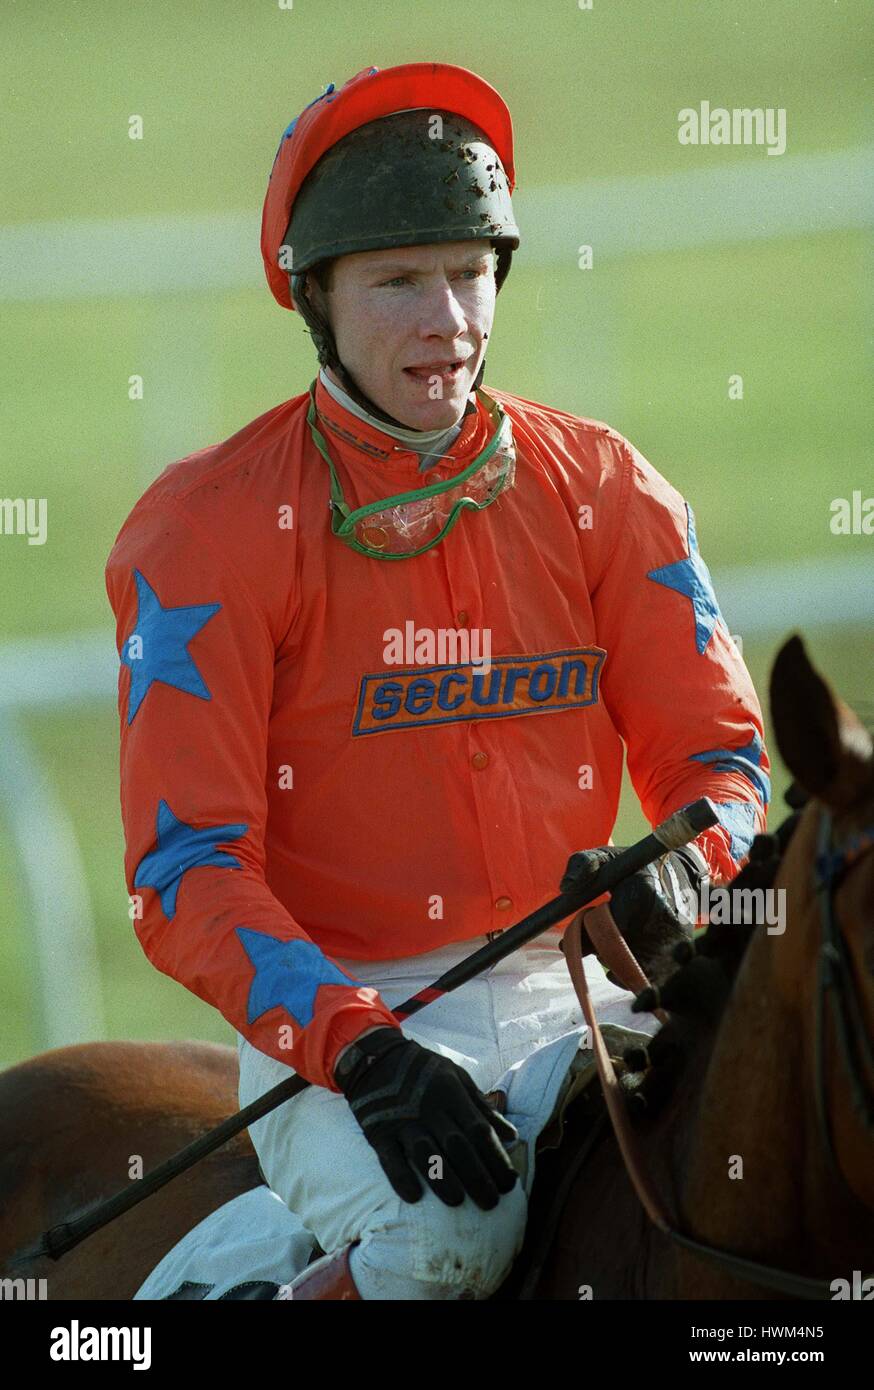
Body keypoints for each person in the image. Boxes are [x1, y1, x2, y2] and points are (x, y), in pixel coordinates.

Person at [106, 62, 771, 1300]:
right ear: (315, 296)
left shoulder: (607, 490)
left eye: (469, 274)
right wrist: (356, 1045)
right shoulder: (203, 533)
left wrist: (685, 860)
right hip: (339, 1021)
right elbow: (184, 866)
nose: (449, 322)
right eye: (399, 281)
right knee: (449, 1241)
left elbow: (722, 764)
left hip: (580, 990)